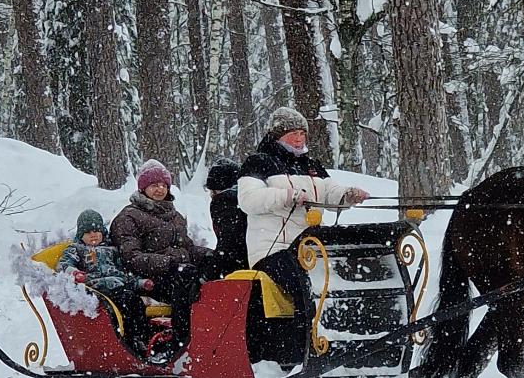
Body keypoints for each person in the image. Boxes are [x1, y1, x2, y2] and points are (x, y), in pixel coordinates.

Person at [236, 107, 369, 325]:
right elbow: (248, 200)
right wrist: (286, 196)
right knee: (305, 286)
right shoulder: (258, 162)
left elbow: (330, 191)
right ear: (278, 135)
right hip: (273, 250)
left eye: (302, 134)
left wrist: (348, 195)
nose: (299, 139)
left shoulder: (311, 165)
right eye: (293, 134)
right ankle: (309, 337)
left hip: (310, 248)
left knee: (339, 278)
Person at [109, 161, 205, 337]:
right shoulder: (129, 217)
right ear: (143, 188)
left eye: (163, 185)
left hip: (179, 273)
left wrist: (208, 256)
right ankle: (181, 337)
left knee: (212, 269)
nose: (160, 189)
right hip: (148, 279)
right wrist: (168, 263)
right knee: (185, 277)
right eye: (154, 185)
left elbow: (187, 247)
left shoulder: (175, 216)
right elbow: (130, 257)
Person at [58, 208, 153, 355]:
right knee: (125, 303)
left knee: (134, 301)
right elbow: (64, 264)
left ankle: (143, 337)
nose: (93, 235)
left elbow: (123, 273)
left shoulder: (112, 250)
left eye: (96, 231)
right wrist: (75, 273)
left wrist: (140, 283)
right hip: (96, 287)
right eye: (88, 232)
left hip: (118, 285)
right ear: (80, 235)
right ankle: (131, 339)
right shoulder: (77, 249)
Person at [204, 159, 249, 275]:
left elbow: (227, 243)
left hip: (237, 269)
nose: (210, 195)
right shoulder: (247, 200)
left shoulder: (223, 203)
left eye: (212, 191)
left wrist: (209, 273)